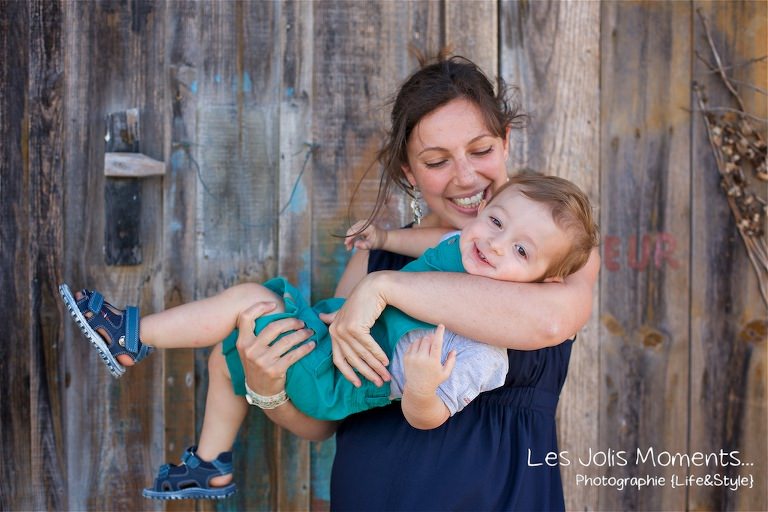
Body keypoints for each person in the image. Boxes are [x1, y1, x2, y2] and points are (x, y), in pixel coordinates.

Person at [59, 171, 598, 499]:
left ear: (545, 279)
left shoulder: (482, 345)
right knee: (233, 351)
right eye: (496, 221)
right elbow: (446, 237)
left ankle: (131, 335)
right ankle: (209, 464)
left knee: (252, 302)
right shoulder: (469, 248)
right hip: (324, 343)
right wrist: (386, 237)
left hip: (337, 382)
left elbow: (424, 416)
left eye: (522, 251)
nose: (498, 244)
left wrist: (421, 388)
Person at [235, 54, 600, 511]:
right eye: (436, 161)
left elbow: (547, 324)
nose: (466, 176)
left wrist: (386, 289)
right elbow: (325, 419)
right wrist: (268, 389)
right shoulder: (377, 257)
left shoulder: (556, 252)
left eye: (481, 150)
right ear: (409, 171)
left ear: (505, 142)